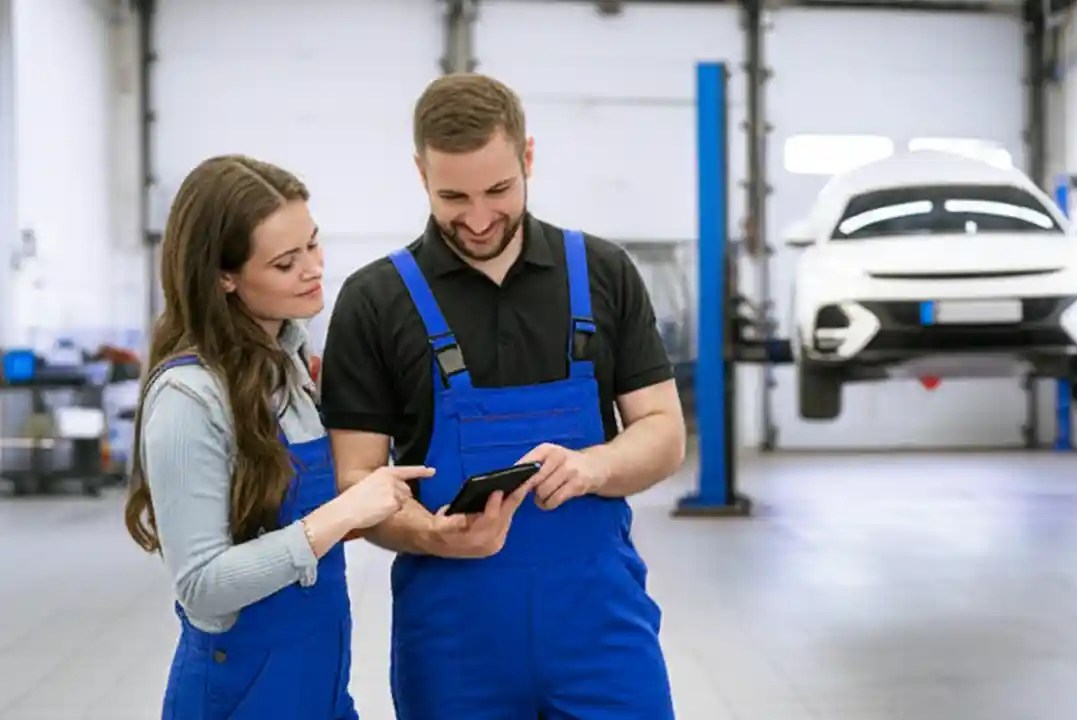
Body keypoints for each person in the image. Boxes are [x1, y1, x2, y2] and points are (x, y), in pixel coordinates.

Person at [319, 72, 688, 718]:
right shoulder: (374, 300)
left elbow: (663, 431)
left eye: (498, 190)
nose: (479, 218)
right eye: (453, 196)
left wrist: (594, 466)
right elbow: (356, 480)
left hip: (601, 632)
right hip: (456, 645)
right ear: (420, 172)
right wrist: (433, 535)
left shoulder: (603, 273)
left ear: (528, 157)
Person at [123, 154, 436, 719]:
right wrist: (338, 516)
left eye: (313, 245)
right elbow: (202, 585)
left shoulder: (292, 367)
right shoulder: (189, 397)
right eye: (286, 262)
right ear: (225, 276)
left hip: (320, 685)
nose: (313, 269)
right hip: (241, 695)